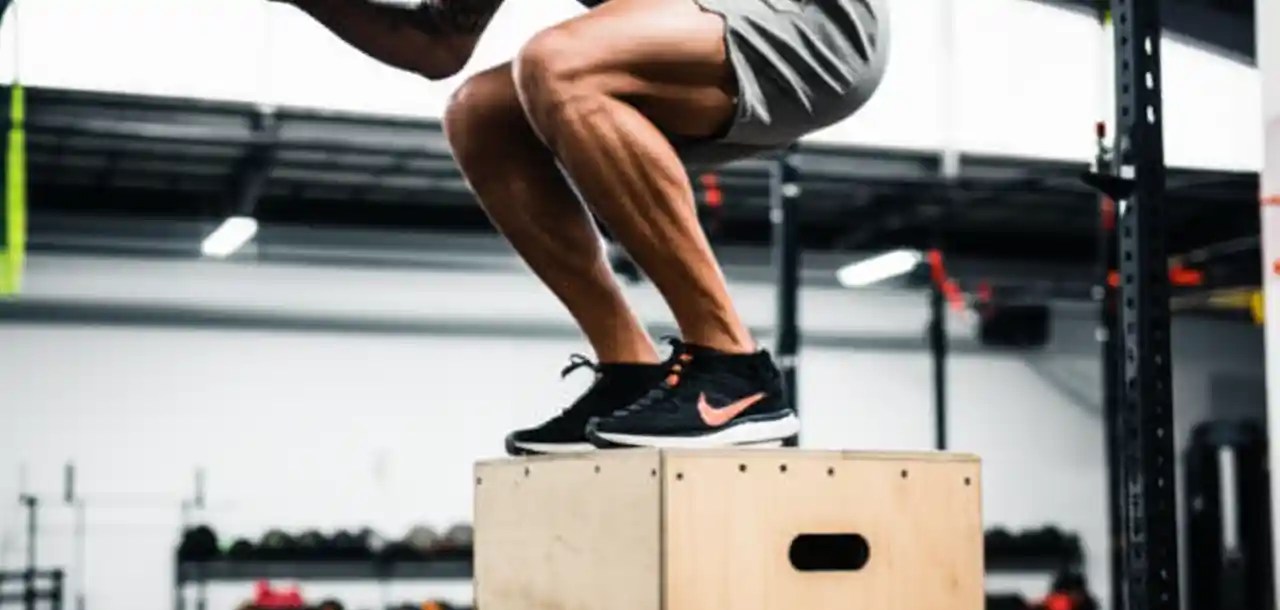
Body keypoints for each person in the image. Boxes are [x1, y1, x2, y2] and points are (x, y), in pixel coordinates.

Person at [272, 0, 889, 453]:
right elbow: (435, 46)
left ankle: (733, 368)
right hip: (695, 34)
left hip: (810, 23)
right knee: (480, 114)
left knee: (559, 61)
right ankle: (631, 371)